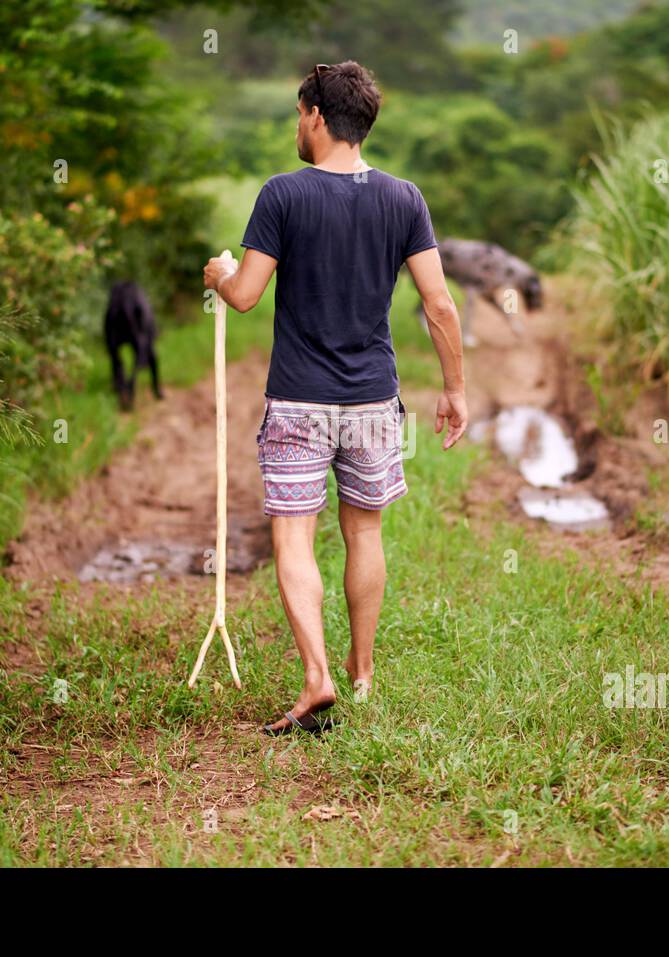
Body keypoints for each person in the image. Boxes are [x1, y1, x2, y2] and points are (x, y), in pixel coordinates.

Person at [202, 60, 467, 735]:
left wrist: (220, 275)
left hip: (298, 399)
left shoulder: (281, 196)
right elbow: (439, 304)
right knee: (365, 532)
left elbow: (247, 294)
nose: (298, 125)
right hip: (374, 402)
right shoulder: (404, 198)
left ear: (317, 116)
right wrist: (456, 389)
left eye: (299, 113)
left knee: (294, 537)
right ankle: (362, 671)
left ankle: (317, 675)